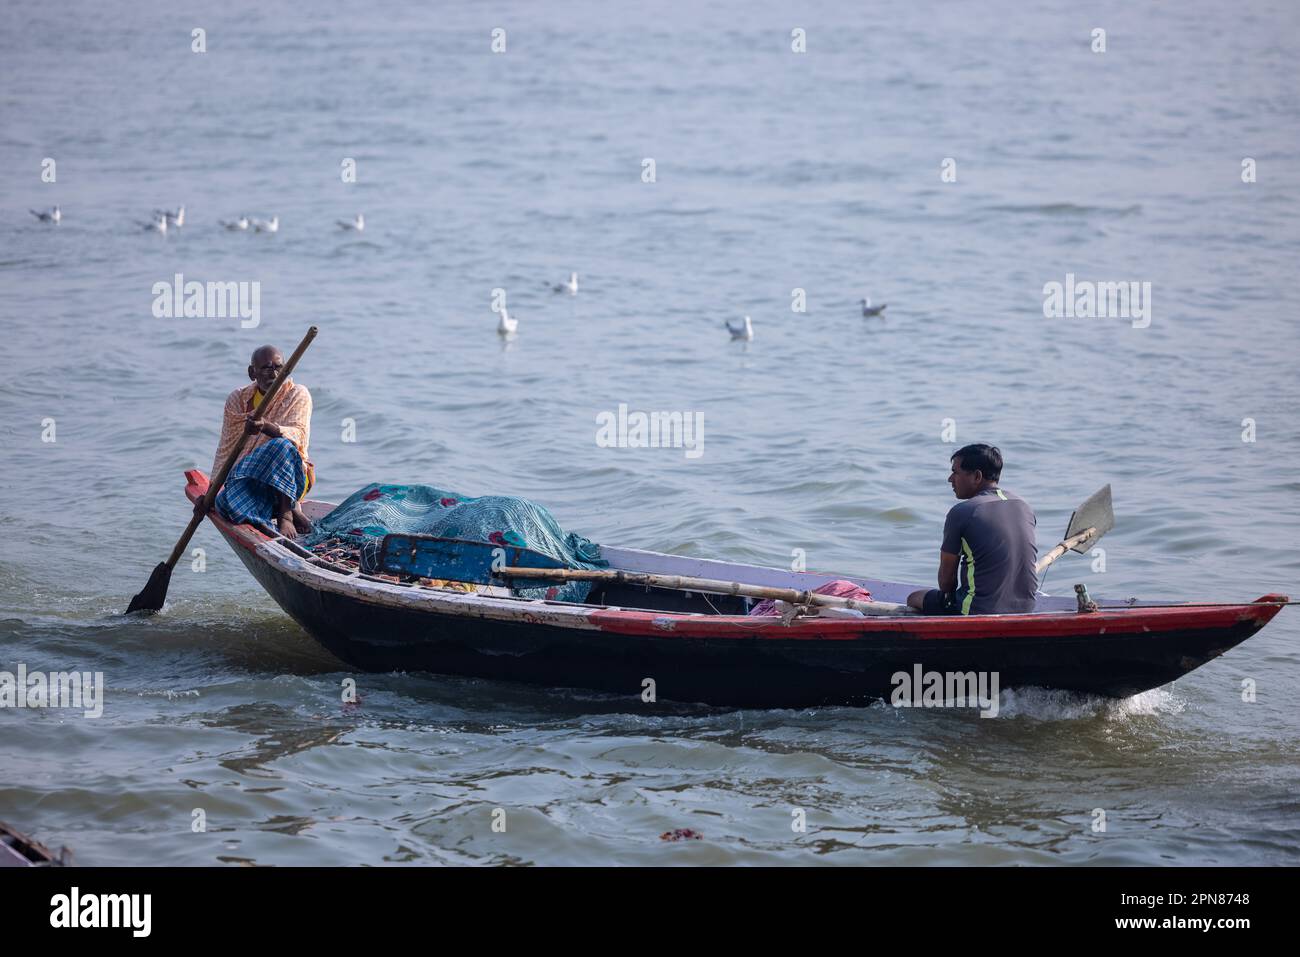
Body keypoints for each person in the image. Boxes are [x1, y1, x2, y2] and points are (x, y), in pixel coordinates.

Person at [197, 345, 314, 538]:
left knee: (281, 445)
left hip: (292, 478)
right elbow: (226, 448)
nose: (274, 373)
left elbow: (298, 436)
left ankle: (286, 515)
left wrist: (266, 427)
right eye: (267, 368)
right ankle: (270, 518)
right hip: (252, 478)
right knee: (223, 505)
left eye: (279, 368)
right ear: (252, 373)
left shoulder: (297, 394)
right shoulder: (238, 399)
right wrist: (211, 493)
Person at [907, 444, 1037, 616]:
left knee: (914, 598)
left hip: (975, 611)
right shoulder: (1023, 505)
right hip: (1027, 609)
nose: (950, 479)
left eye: (955, 472)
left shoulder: (963, 512)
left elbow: (946, 584)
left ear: (977, 476)